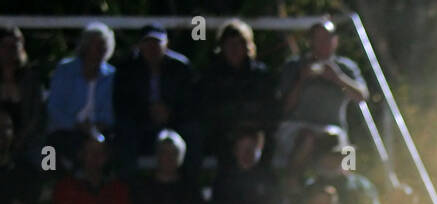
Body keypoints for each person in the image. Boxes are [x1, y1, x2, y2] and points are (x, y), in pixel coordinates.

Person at [274, 19, 369, 175]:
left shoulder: (345, 67)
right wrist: (301, 80)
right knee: (308, 139)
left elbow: (362, 96)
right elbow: (285, 106)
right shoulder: (294, 65)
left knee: (344, 151)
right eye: (318, 39)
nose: (323, 43)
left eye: (327, 38)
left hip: (334, 130)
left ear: (336, 41)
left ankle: (344, 189)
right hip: (295, 128)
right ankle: (292, 181)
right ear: (310, 42)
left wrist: (337, 78)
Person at [111, 24, 198, 178]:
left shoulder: (181, 67)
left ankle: (188, 187)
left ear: (167, 45)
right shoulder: (127, 68)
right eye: (147, 43)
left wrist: (170, 112)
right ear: (139, 46)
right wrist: (147, 112)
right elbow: (122, 104)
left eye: (157, 43)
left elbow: (191, 103)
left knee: (193, 132)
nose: (152, 48)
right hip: (141, 125)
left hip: (174, 123)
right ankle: (129, 187)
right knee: (124, 133)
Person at [199, 19, 277, 171]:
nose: (234, 49)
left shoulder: (261, 75)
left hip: (257, 136)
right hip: (224, 137)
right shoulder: (213, 76)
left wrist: (253, 132)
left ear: (247, 46)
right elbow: (207, 110)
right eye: (229, 44)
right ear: (222, 47)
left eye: (239, 44)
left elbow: (271, 109)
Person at [45, 23, 116, 169]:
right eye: (96, 45)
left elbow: (111, 111)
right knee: (49, 153)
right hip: (65, 129)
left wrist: (96, 127)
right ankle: (51, 184)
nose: (100, 50)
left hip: (99, 131)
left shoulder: (112, 75)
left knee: (110, 147)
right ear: (85, 46)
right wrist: (75, 124)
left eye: (103, 46)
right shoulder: (65, 70)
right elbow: (54, 108)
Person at [0, 26, 44, 164]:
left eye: (15, 46)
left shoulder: (31, 79)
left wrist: (20, 139)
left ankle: (46, 183)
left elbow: (36, 115)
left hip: (26, 141)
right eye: (6, 46)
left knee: (48, 153)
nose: (11, 51)